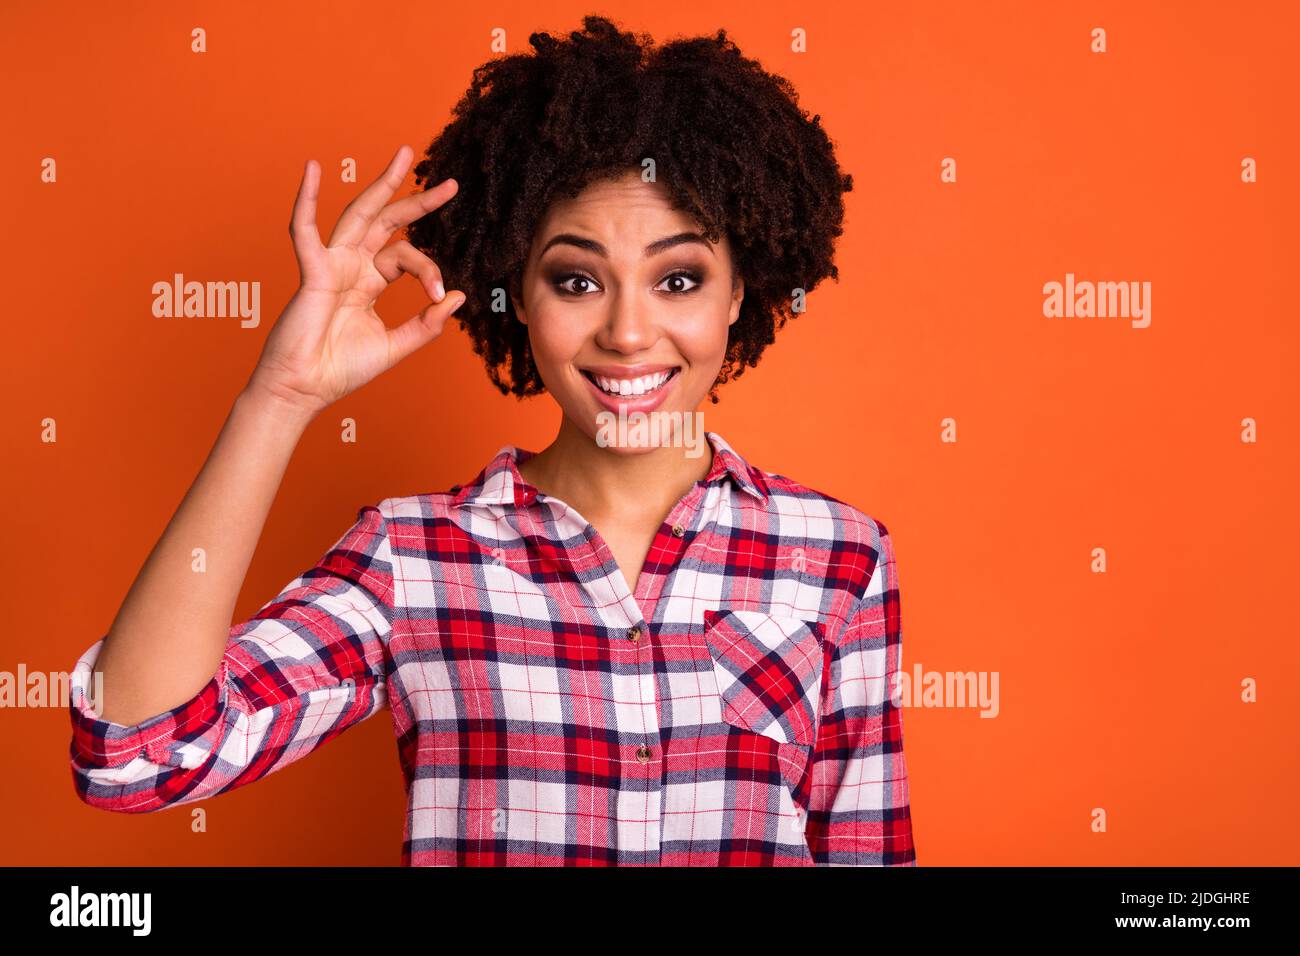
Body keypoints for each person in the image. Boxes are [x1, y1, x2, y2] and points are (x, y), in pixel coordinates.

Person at [67, 14, 915, 866]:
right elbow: (135, 758)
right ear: (516, 290)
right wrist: (277, 398)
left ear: (742, 291)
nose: (627, 332)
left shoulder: (840, 556)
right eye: (576, 280)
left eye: (679, 278)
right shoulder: (413, 557)